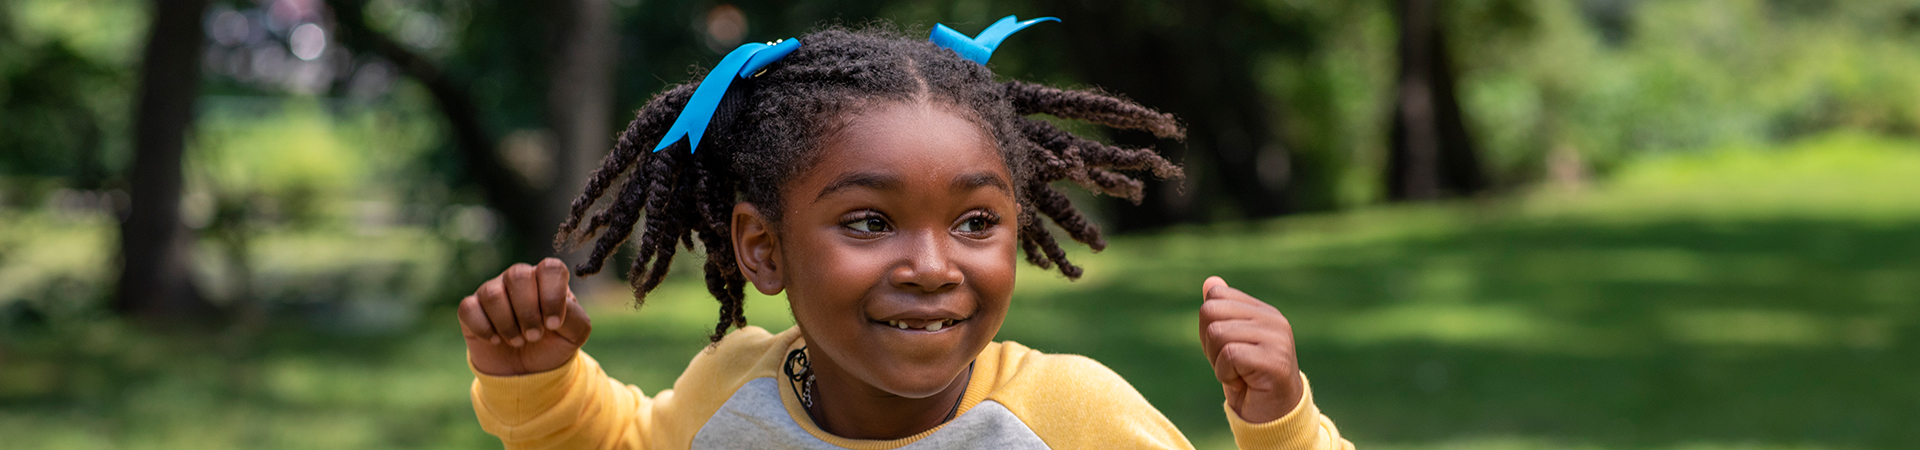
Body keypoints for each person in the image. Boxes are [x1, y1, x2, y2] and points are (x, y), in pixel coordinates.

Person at [457, 18, 1353, 449]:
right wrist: (540, 383)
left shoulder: (1070, 417)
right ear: (762, 248)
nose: (932, 267)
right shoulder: (732, 393)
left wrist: (1279, 424)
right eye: (869, 222)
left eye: (975, 222)